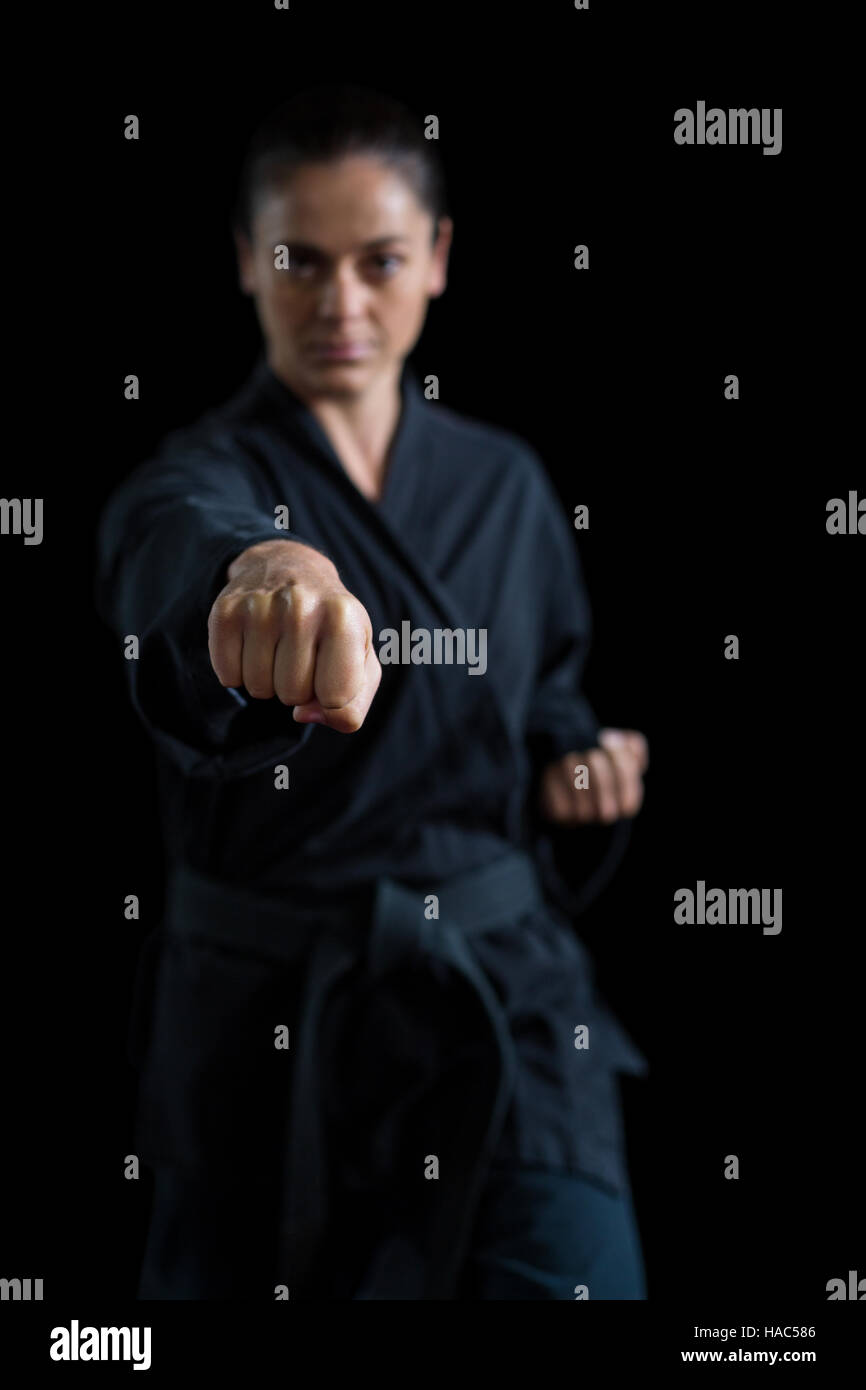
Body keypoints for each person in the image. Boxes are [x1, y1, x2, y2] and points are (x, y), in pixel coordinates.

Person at [95, 83, 651, 1301]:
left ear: (438, 260)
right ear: (247, 259)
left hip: (498, 1000)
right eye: (300, 260)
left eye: (379, 261)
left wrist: (575, 772)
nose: (339, 303)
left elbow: (546, 697)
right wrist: (268, 570)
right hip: (267, 1031)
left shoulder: (506, 483)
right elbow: (174, 555)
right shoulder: (198, 479)